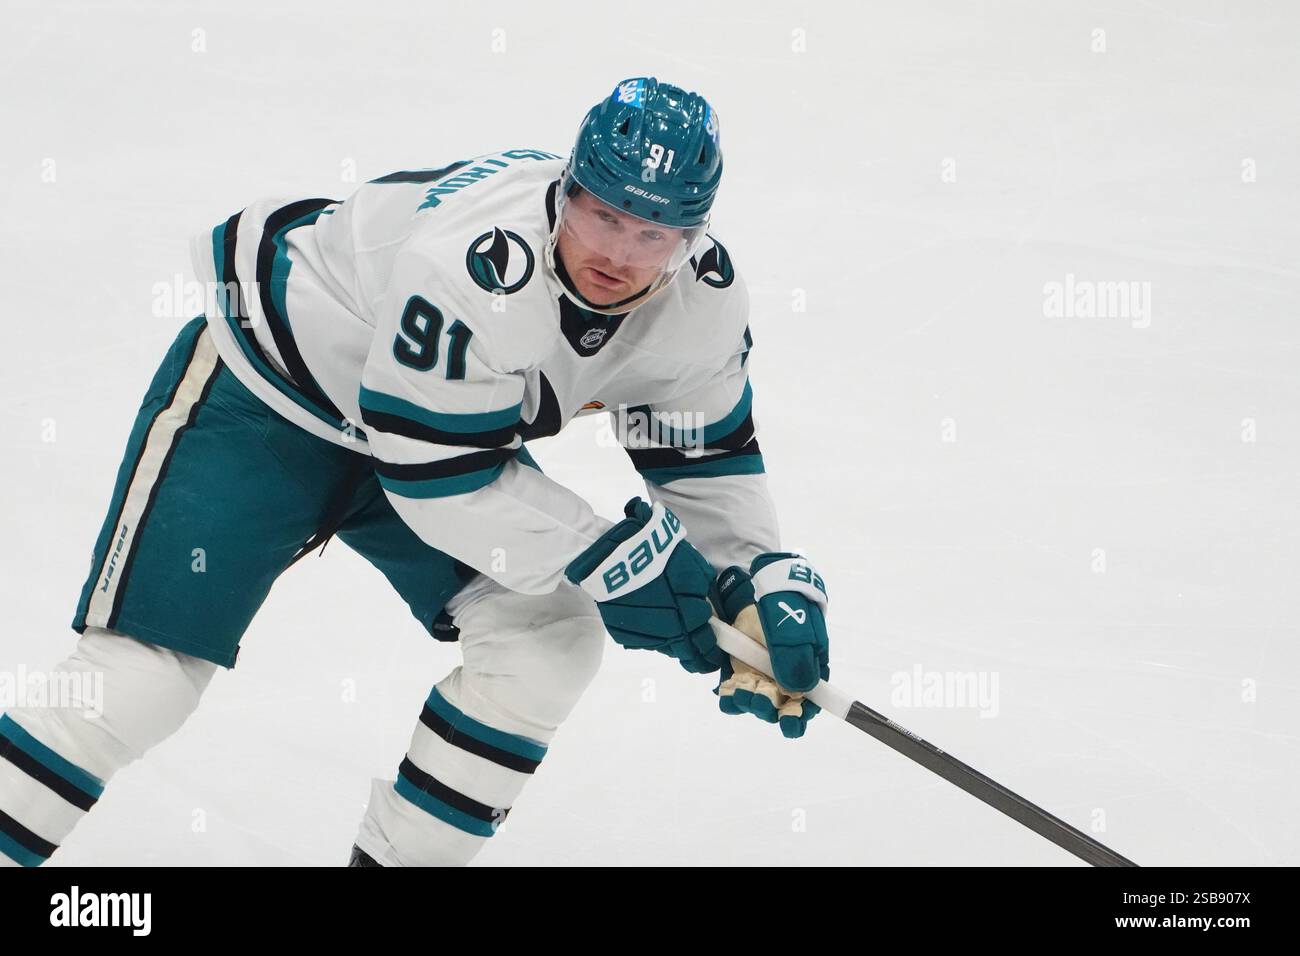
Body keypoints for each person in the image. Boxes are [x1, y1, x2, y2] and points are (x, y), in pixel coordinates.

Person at [0, 77, 830, 868]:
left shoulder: (702, 300)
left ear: (693, 239)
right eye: (603, 214)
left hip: (431, 433)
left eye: (653, 234)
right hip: (267, 398)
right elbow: (437, 475)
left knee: (547, 641)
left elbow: (702, 450)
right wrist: (617, 559)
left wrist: (754, 574)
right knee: (144, 677)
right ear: (569, 189)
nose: (617, 252)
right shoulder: (479, 262)